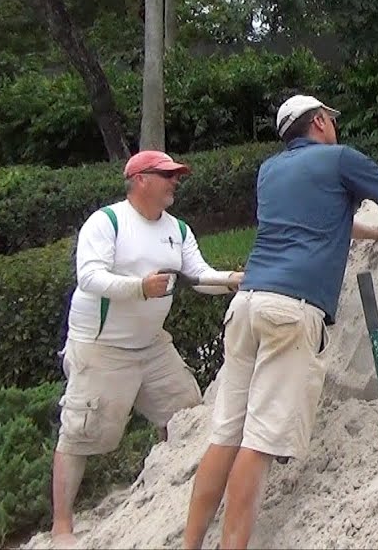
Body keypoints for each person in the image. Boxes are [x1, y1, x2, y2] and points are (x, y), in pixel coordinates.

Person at [182, 94, 378, 549]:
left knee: (225, 434)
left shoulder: (270, 172)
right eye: (332, 121)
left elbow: (318, 220)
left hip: (246, 304)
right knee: (259, 442)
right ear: (320, 122)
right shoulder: (338, 160)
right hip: (291, 309)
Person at [51, 150, 244, 549]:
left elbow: (198, 275)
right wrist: (139, 287)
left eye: (176, 175)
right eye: (167, 175)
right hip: (102, 347)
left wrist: (231, 280)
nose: (175, 181)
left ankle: (168, 492)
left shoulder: (178, 229)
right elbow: (89, 277)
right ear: (140, 179)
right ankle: (62, 526)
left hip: (152, 346)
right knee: (82, 432)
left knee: (185, 414)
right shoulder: (107, 222)